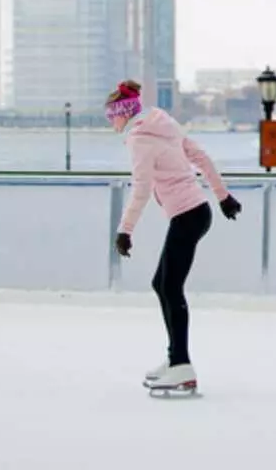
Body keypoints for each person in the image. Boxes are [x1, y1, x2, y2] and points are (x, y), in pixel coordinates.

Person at [107, 80, 242, 392]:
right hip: (196, 212)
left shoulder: (140, 139)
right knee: (163, 284)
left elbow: (141, 189)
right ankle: (174, 360)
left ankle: (181, 366)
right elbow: (202, 157)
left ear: (123, 112)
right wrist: (222, 197)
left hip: (187, 215)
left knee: (169, 286)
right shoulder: (164, 125)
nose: (110, 121)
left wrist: (125, 230)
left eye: (111, 114)